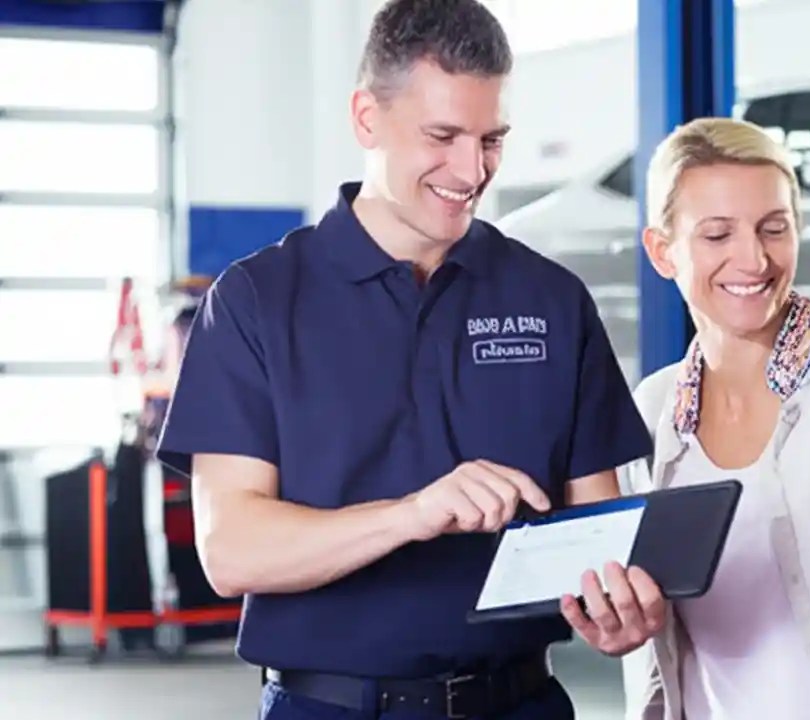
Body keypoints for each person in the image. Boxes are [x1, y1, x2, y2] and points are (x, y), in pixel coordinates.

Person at [157, 1, 665, 718]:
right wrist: (411, 514)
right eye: (443, 135)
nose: (472, 169)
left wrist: (622, 610)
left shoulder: (552, 300)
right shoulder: (257, 302)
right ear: (367, 118)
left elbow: (601, 535)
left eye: (492, 138)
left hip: (522, 702)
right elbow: (231, 551)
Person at [617, 117, 810, 720]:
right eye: (716, 235)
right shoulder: (656, 413)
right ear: (662, 251)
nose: (753, 258)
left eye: (773, 228)